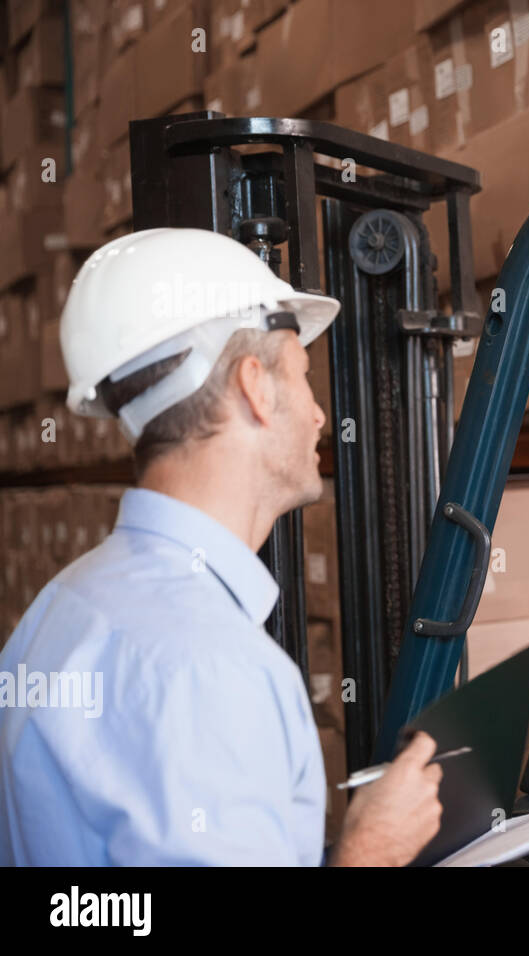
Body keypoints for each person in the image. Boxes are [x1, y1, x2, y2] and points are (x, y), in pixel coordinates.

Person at [0, 228, 442, 865]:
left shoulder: (59, 606)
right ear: (256, 387)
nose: (321, 415)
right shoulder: (214, 669)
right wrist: (369, 851)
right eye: (304, 376)